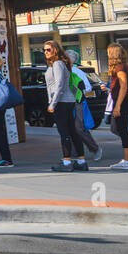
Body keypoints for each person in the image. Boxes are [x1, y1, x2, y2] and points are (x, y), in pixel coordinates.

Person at [42, 40, 84, 172]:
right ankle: (81, 161)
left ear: (56, 50)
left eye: (49, 49)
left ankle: (67, 162)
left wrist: (52, 104)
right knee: (71, 131)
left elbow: (59, 85)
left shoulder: (58, 64)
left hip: (61, 102)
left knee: (64, 132)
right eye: (44, 50)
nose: (46, 52)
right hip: (66, 101)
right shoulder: (59, 64)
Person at [65, 49, 102, 161]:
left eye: (65, 58)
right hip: (67, 103)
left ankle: (94, 148)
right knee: (71, 128)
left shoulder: (77, 72)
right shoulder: (64, 71)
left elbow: (88, 88)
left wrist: (79, 93)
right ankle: (74, 153)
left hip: (78, 103)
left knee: (79, 128)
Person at [106, 44, 128, 170]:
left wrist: (117, 106)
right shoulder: (121, 67)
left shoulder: (120, 68)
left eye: (109, 52)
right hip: (120, 102)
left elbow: (124, 86)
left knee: (121, 130)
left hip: (121, 103)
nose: (107, 55)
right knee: (117, 129)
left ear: (113, 54)